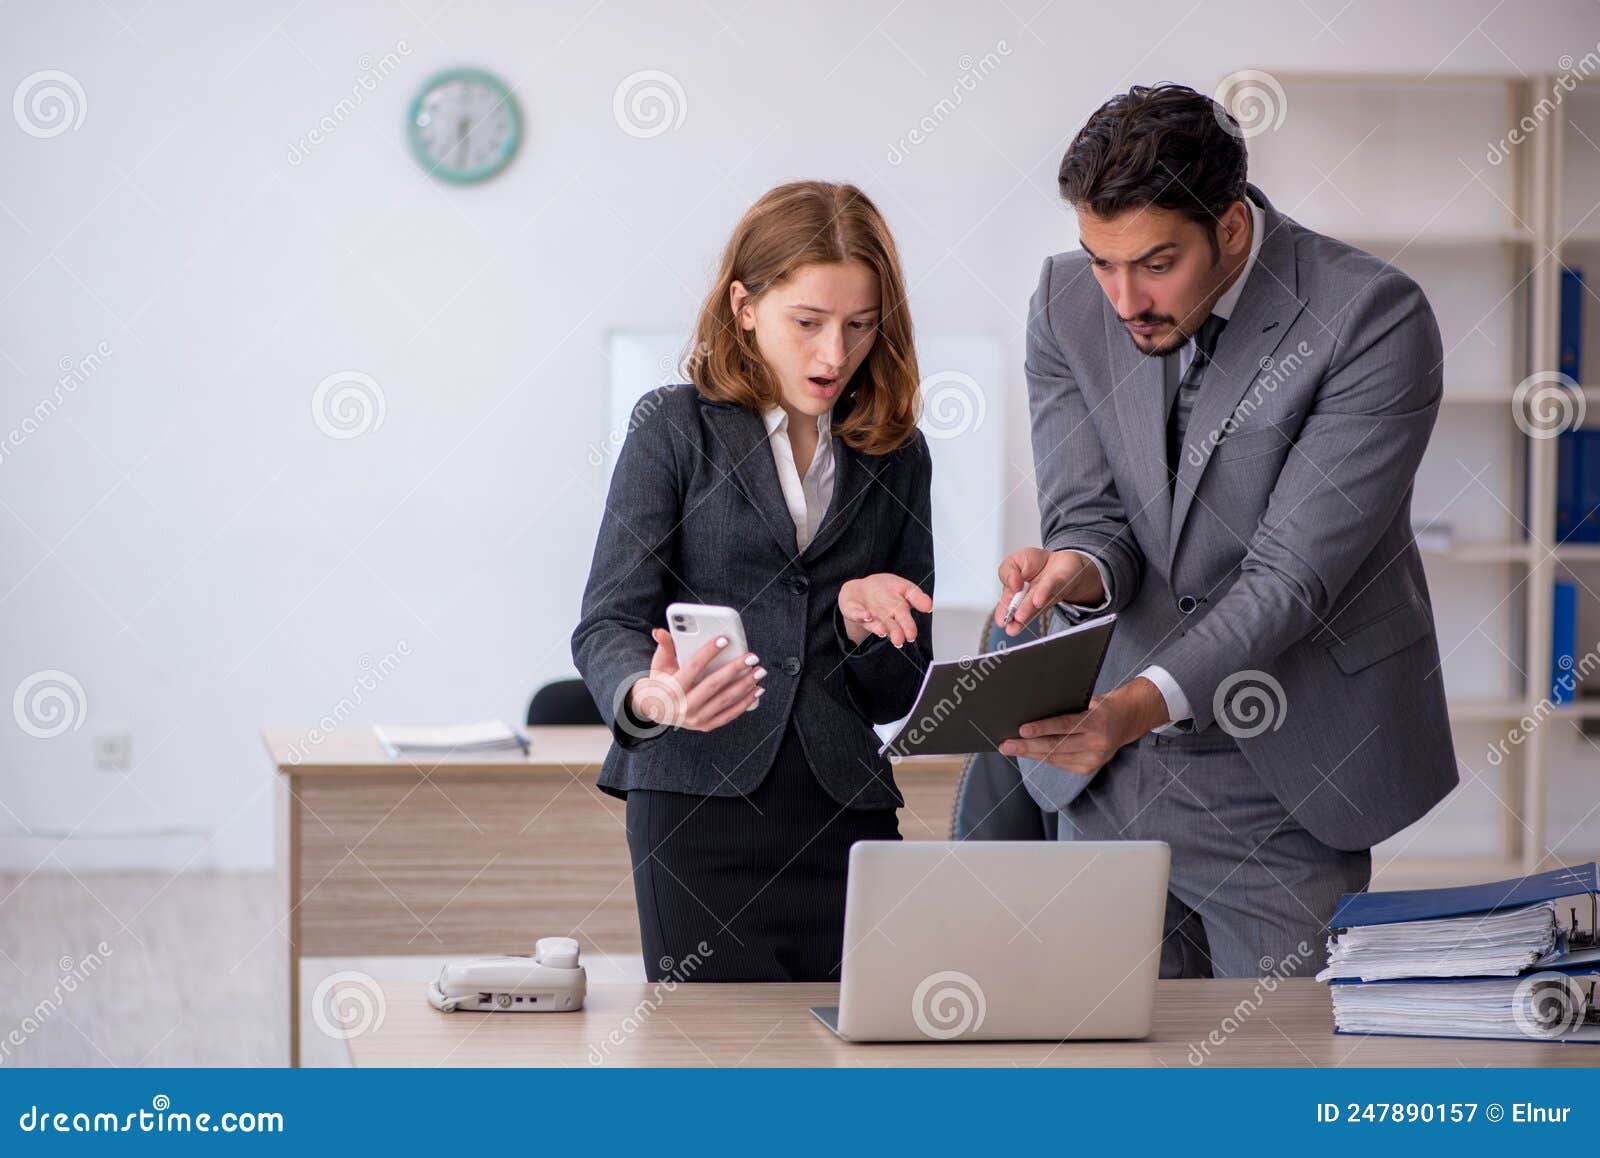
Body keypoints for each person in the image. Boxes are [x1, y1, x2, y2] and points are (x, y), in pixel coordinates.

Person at [996, 84, 1458, 979]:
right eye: (1101, 261)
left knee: (1270, 1078)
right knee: (1106, 1072)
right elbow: (1094, 521)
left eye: (1157, 263)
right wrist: (1073, 569)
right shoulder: (1064, 300)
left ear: (1233, 228)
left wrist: (1126, 712)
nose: (1125, 299)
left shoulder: (1371, 318)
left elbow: (1290, 580)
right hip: (1106, 777)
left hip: (1282, 776)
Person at [572, 180, 934, 983]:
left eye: (860, 326)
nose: (834, 354)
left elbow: (898, 689)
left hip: (847, 815)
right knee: (719, 1074)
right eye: (807, 323)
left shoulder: (897, 454)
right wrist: (648, 697)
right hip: (698, 807)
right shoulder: (673, 427)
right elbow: (606, 623)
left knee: (855, 1069)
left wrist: (854, 626)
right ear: (744, 305)